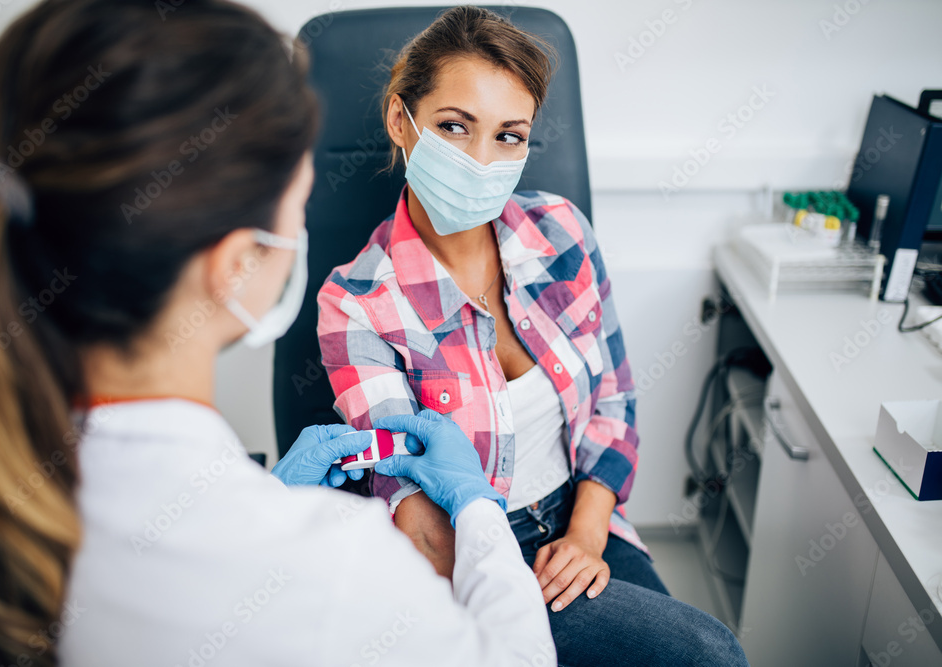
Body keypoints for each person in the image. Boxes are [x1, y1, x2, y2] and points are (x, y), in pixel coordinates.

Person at [0, 1, 556, 666]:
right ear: (236, 266)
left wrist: (265, 500)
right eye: (299, 204)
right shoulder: (337, 566)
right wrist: (479, 511)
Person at [317, 6, 749, 666]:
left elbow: (615, 402)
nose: (481, 160)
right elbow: (413, 506)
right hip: (464, 556)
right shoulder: (356, 303)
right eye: (455, 126)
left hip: (583, 516)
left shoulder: (563, 232)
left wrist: (585, 532)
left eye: (509, 136)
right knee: (708, 653)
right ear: (401, 121)